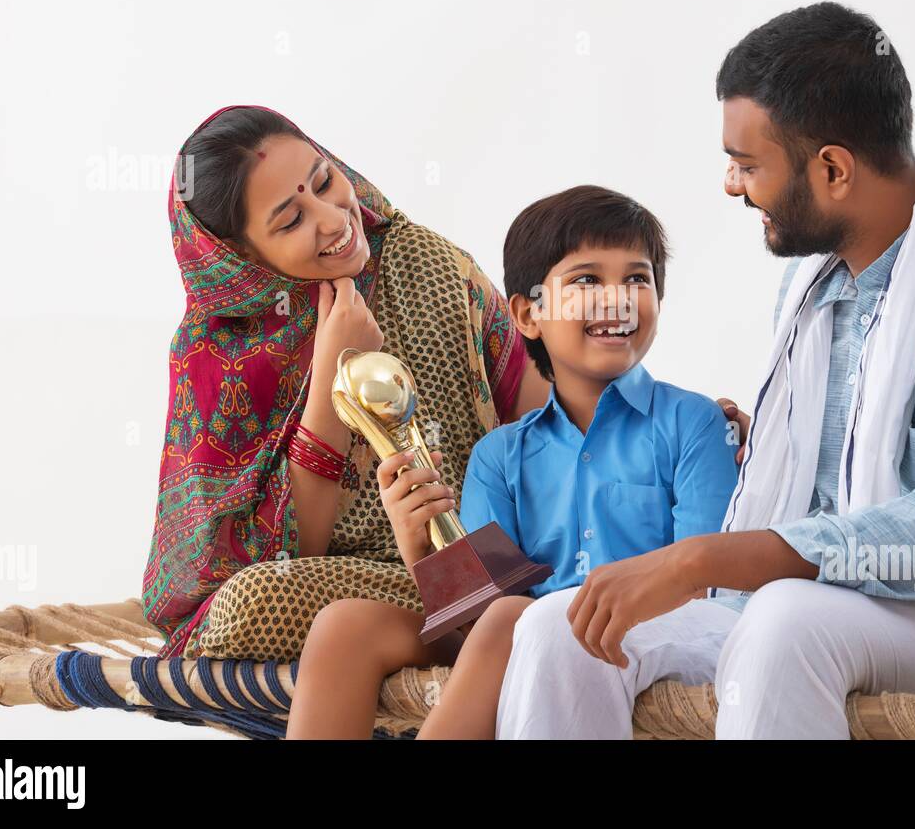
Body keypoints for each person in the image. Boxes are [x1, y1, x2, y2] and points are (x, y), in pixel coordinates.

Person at [494, 2, 915, 739]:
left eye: (748, 164)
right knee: (555, 627)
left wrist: (700, 559)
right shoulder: (815, 287)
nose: (731, 185)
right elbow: (837, 478)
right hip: (813, 607)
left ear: (832, 169)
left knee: (788, 618)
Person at [290, 186, 741, 739]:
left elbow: (708, 585)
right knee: (345, 626)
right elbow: (479, 615)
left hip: (661, 634)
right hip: (513, 638)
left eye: (637, 279)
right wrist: (419, 548)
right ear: (528, 314)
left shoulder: (694, 424)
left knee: (517, 618)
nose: (618, 298)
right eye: (587, 280)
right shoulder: (500, 457)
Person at [142, 104, 548, 701]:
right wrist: (330, 380)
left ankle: (481, 618)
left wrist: (665, 422)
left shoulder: (424, 263)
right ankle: (461, 628)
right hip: (347, 583)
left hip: (487, 552)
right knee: (251, 605)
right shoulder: (214, 354)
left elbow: (547, 412)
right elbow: (275, 561)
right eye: (290, 220)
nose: (335, 219)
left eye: (325, 180)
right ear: (239, 258)